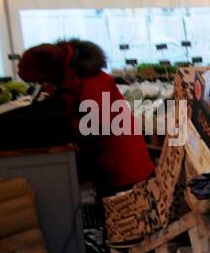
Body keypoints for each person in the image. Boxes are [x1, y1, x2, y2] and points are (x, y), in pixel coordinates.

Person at [17, 39, 154, 194]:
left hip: (123, 164)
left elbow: (98, 124)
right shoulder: (68, 78)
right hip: (107, 162)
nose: (42, 84)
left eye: (41, 79)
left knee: (127, 213)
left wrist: (63, 127)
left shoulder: (93, 82)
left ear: (50, 72)